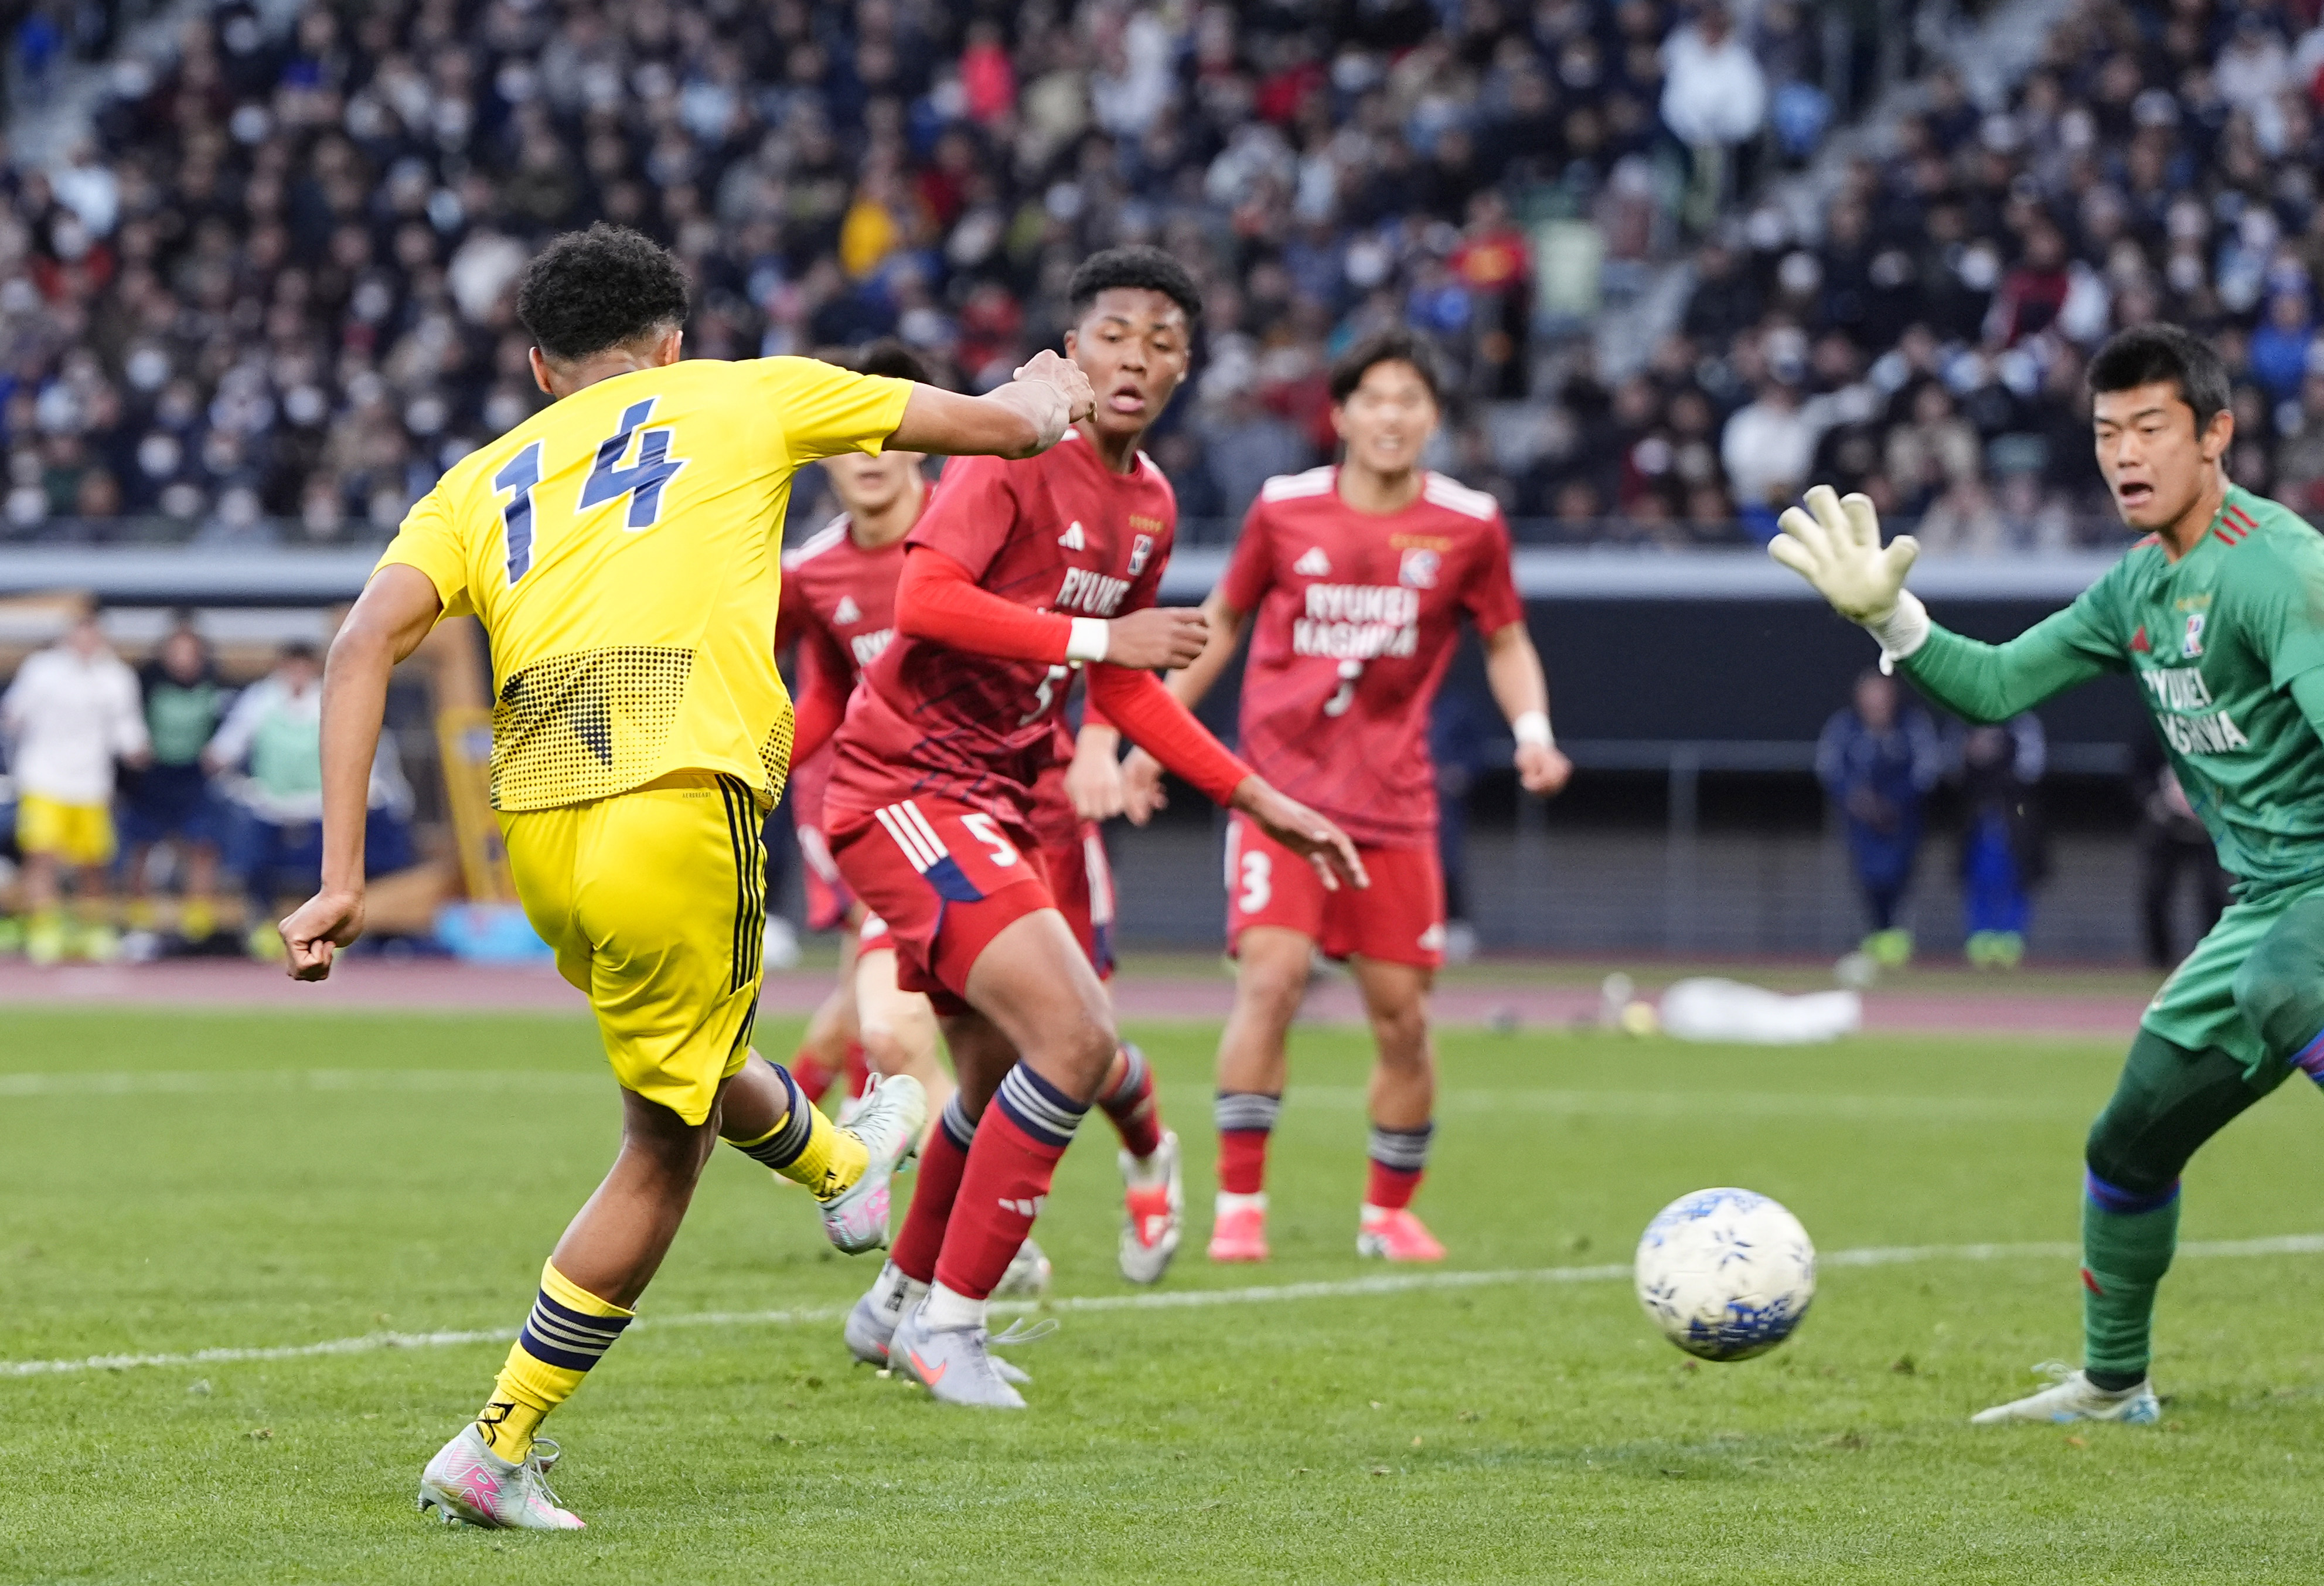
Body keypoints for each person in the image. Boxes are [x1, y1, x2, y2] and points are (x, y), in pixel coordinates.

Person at [276, 222, 1102, 1527]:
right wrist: (1051, 393)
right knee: (661, 1148)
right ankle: (495, 1445)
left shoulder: (476, 479)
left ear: (543, 367)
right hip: (679, 795)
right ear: (674, 341)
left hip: (543, 833)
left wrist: (341, 877)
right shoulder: (748, 389)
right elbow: (1000, 432)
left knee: (689, 1066)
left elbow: (359, 644)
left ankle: (841, 1167)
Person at [821, 246, 1364, 1409]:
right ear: (1074, 349)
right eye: (1116, 332)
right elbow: (926, 599)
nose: (1138, 356)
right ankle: (952, 1330)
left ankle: (892, 1309)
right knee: (1075, 1043)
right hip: (904, 790)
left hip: (992, 803)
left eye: (1164, 343)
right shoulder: (1016, 450)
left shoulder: (1152, 505)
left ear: (1184, 372)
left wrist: (1259, 799)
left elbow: (1126, 691)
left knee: (998, 1078)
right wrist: (1093, 642)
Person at [1771, 322, 2324, 1427]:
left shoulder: (2281, 571)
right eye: (2108, 431)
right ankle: (2114, 1386)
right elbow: (1993, 684)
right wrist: (1891, 617)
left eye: (2152, 428)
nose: (2125, 453)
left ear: (2217, 434)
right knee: (2127, 1143)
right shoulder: (2136, 590)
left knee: (2281, 983)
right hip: (2262, 909)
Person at [1118, 328, 1572, 1266]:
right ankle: (1241, 1205)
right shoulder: (1283, 511)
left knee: (1403, 1017)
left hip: (1394, 806)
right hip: (1276, 793)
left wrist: (1533, 736)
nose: (1392, 416)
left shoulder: (1469, 523)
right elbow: (1222, 622)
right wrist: (1151, 740)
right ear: (1340, 414)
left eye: (1410, 400)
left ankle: (1387, 1212)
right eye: (1375, 398)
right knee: (1272, 983)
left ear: (1432, 418)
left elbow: (1504, 639)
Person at [784, 338, 1184, 1303]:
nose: (872, 455)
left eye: (890, 432)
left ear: (924, 438)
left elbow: (1098, 650)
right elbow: (829, 699)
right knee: (897, 1029)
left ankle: (1146, 1146)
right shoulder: (814, 575)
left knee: (1075, 1042)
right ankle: (940, 1265)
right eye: (851, 437)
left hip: (1034, 809)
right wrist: (756, 769)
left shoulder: (997, 499)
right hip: (912, 809)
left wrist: (1096, 751)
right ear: (827, 451)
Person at [0, 605, 148, 964]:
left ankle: (92, 929)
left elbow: (127, 728)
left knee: (93, 862)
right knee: (43, 855)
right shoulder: (42, 670)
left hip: (91, 784)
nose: (86, 639)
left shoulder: (116, 676)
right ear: (69, 635)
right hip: (44, 779)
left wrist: (136, 749)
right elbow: (13, 714)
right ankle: (45, 928)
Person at [1815, 670, 1941, 968]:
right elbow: (1830, 767)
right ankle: (1877, 938)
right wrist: (1856, 799)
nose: (1876, 703)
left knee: (1900, 876)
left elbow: (1926, 769)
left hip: (1901, 820)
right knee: (1869, 878)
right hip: (1860, 821)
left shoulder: (1912, 725)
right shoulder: (1844, 728)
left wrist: (1895, 802)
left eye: (1881, 695)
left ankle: (1897, 941)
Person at [121, 616, 231, 949]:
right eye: (176, 651)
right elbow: (128, 719)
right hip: (154, 776)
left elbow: (227, 727)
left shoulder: (214, 684)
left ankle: (198, 923)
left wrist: (219, 752)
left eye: (189, 651)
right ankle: (139, 920)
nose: (182, 658)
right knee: (142, 848)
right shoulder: (147, 682)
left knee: (201, 847)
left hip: (193, 776)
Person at [1956, 714, 2048, 969]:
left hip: (2016, 815)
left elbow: (2032, 768)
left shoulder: (2024, 723)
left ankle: (2011, 942)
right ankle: (1980, 941)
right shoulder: (1966, 718)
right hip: (1977, 813)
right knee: (1980, 878)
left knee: (2016, 877)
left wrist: (1999, 752)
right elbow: (1950, 765)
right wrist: (1973, 754)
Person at [2131, 736, 2228, 968]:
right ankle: (2159, 961)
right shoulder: (2154, 726)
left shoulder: (2214, 724)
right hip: (2167, 825)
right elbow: (2137, 769)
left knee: (2214, 894)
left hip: (2209, 825)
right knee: (2156, 891)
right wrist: (2156, 802)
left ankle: (2212, 958)